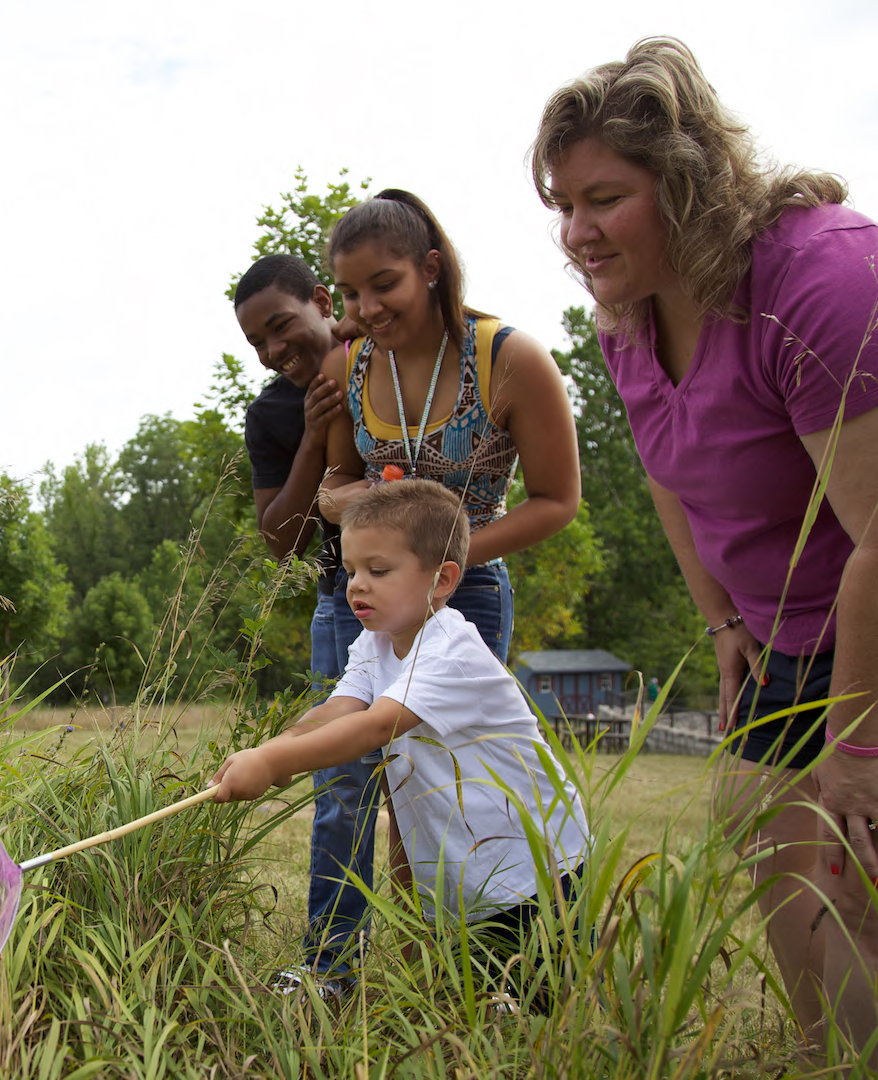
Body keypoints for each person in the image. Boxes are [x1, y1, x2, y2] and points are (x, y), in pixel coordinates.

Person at [532, 37, 878, 1066]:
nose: (576, 232)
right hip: (787, 618)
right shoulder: (629, 314)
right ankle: (824, 1061)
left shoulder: (829, 281)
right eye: (562, 205)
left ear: (687, 179)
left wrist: (860, 745)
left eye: (603, 199)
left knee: (873, 897)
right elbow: (673, 473)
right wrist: (723, 620)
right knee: (776, 860)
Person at [209, 479, 589, 1000]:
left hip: (538, 870)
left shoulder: (451, 649)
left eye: (378, 571)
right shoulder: (377, 641)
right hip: (469, 873)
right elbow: (339, 709)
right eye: (350, 571)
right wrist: (268, 751)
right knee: (467, 1008)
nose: (356, 585)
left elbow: (373, 726)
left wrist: (275, 764)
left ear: (441, 580)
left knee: (541, 1010)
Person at [315, 189, 581, 662]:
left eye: (385, 284)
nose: (368, 308)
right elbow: (335, 481)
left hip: (468, 585)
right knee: (358, 733)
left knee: (448, 738)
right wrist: (334, 502)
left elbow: (557, 500)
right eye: (351, 294)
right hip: (363, 592)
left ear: (431, 269)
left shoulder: (509, 359)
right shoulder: (347, 366)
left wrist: (444, 562)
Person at [233, 254, 376, 1000]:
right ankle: (332, 969)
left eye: (282, 326)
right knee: (343, 788)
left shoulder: (388, 355)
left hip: (446, 595)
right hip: (342, 607)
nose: (272, 350)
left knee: (444, 782)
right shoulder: (273, 414)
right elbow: (281, 539)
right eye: (256, 341)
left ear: (324, 302)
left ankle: (458, 957)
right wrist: (316, 441)